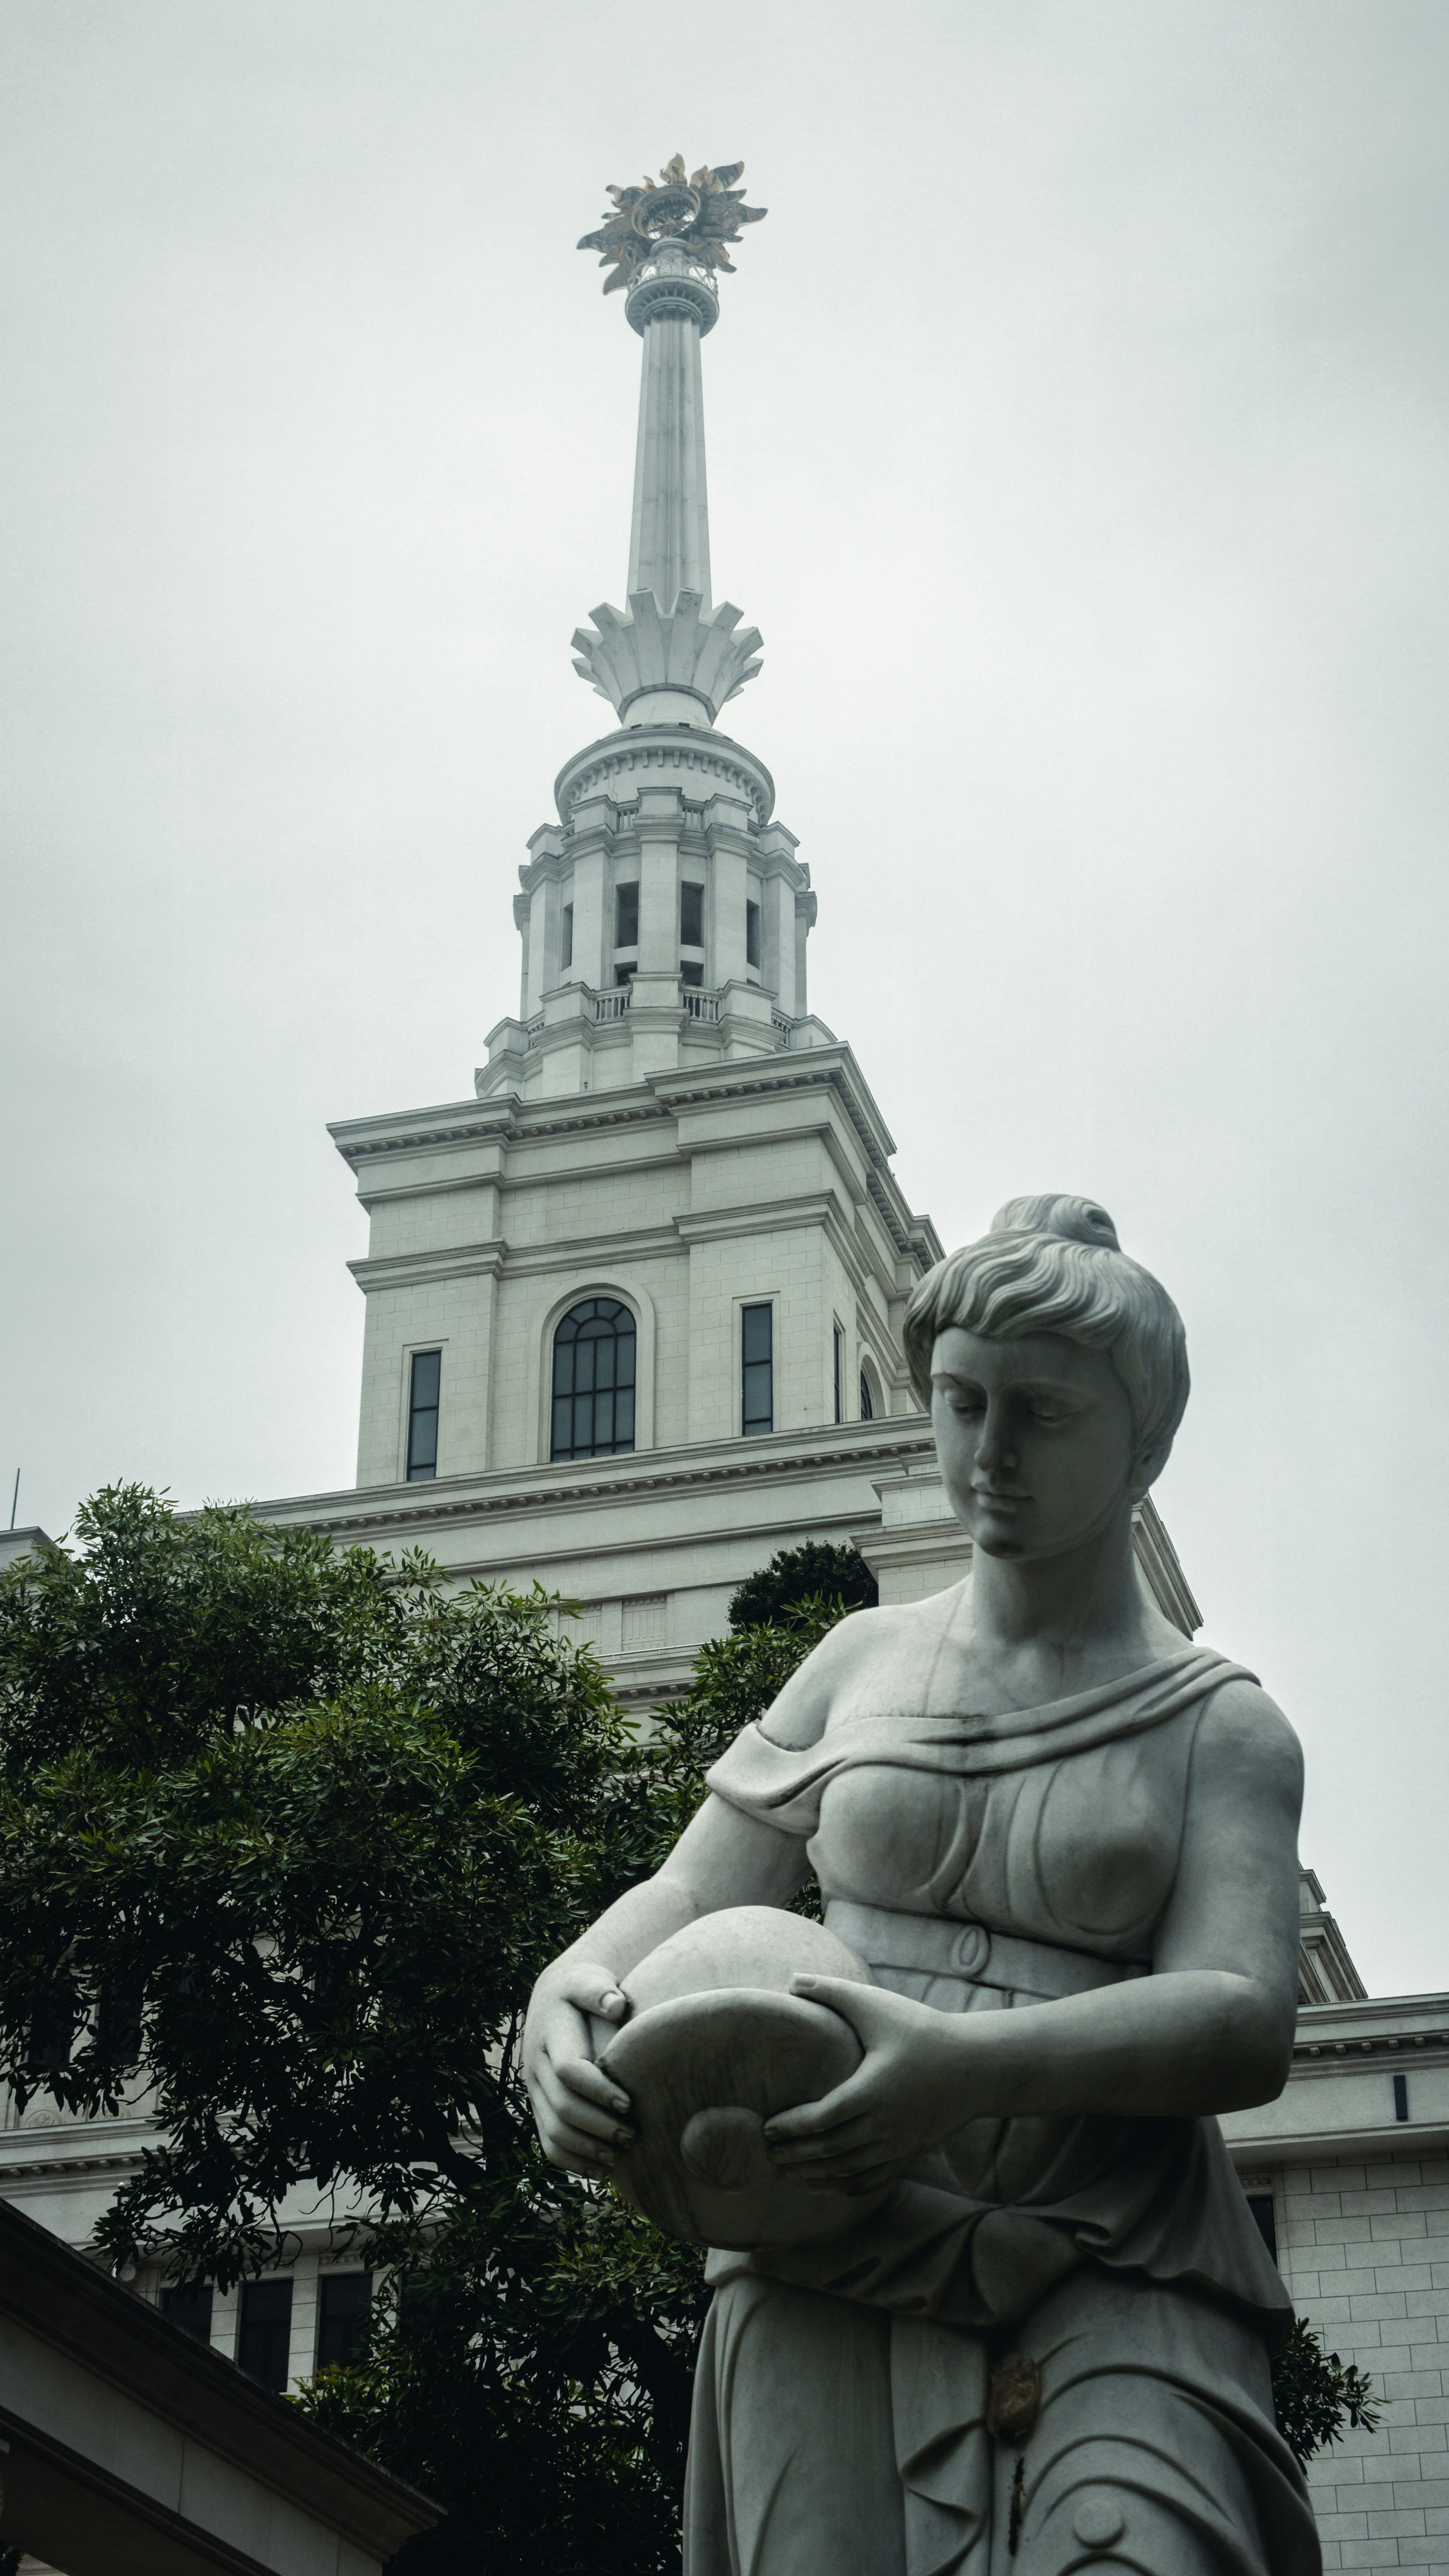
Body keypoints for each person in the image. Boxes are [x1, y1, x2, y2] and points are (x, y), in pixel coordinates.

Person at [523, 1196, 1319, 2573]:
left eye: (1042, 1414)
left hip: (1108, 2258)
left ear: (1145, 1441)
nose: (988, 1453)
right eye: (960, 1402)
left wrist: (959, 2066)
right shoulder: (856, 1662)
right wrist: (557, 1998)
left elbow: (1244, 2019)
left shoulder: (1218, 1725)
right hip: (830, 2239)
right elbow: (690, 1891)